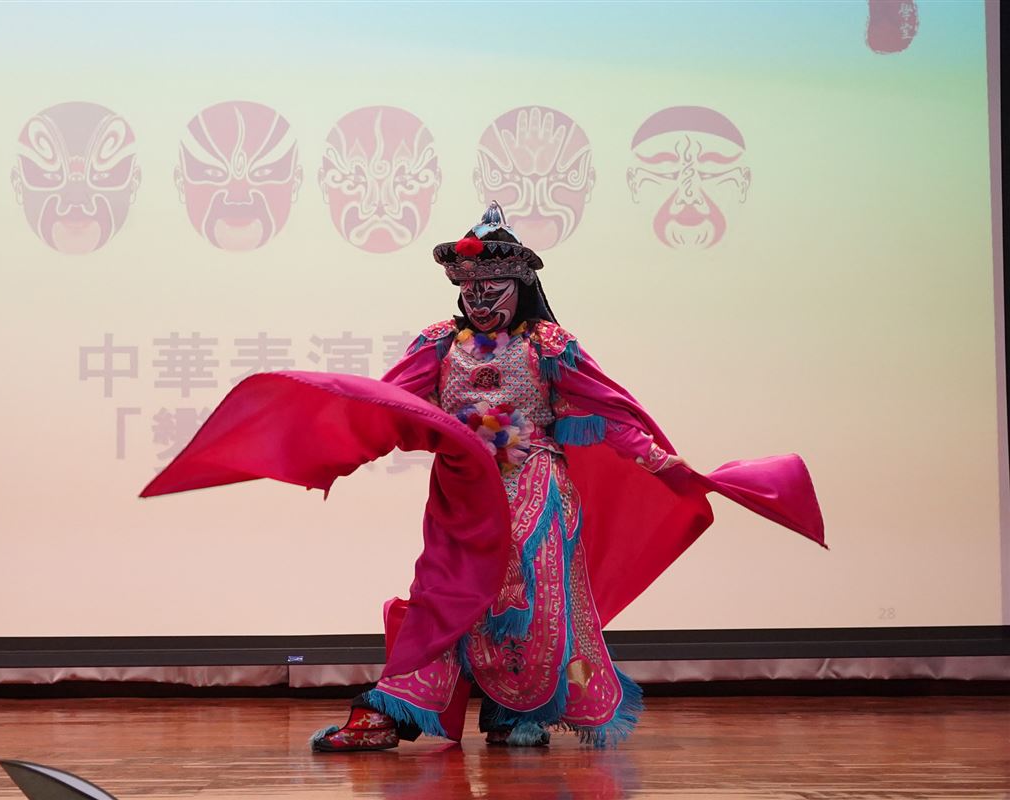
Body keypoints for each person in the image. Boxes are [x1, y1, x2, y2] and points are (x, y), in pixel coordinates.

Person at [142, 201, 825, 752]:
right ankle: (395, 710)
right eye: (468, 289)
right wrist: (328, 436)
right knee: (444, 595)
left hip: (537, 483)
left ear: (520, 285)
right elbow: (392, 403)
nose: (478, 299)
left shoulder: (546, 345)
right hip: (464, 491)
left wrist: (665, 464)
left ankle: (515, 712)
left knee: (525, 597)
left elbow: (602, 416)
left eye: (490, 287)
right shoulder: (440, 343)